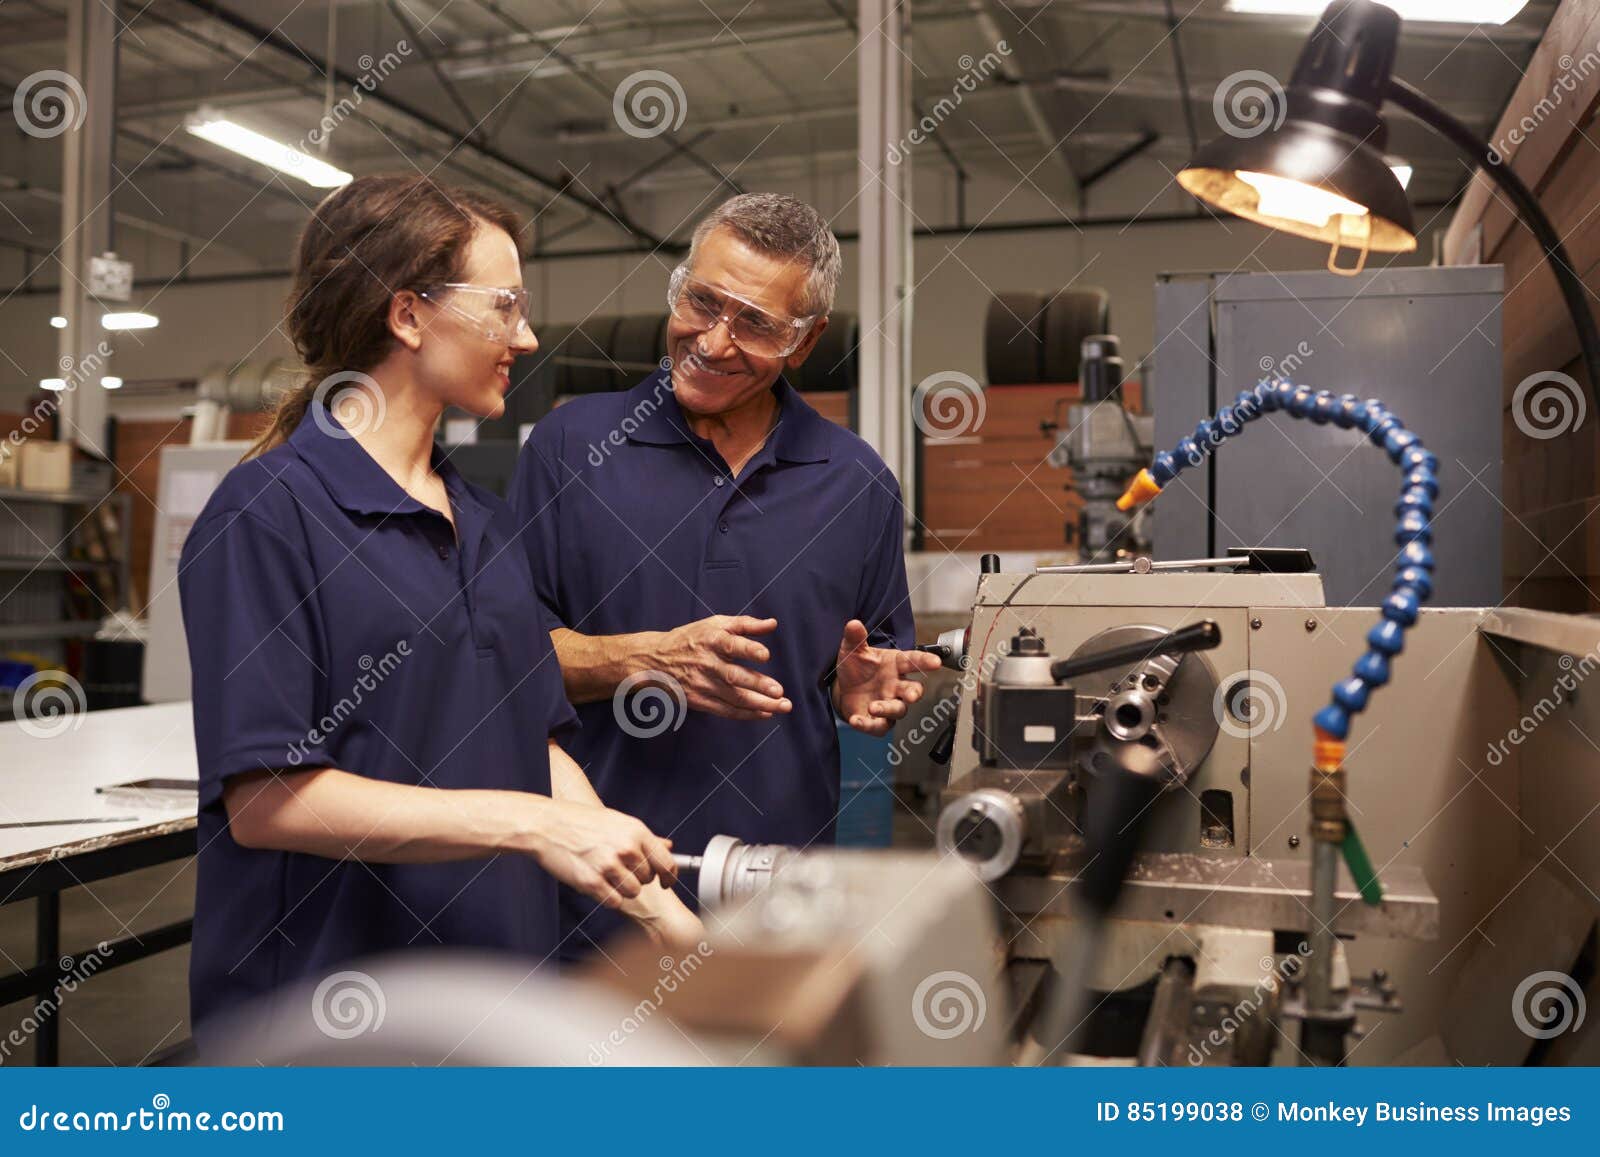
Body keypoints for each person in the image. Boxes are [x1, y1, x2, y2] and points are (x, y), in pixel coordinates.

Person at [178, 174, 701, 1044]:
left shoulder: (485, 524)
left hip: (493, 999)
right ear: (409, 315)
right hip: (327, 1024)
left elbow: (534, 737)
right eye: (504, 305)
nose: (525, 336)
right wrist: (531, 825)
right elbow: (268, 800)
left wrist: (668, 918)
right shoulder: (267, 514)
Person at [510, 192, 940, 957]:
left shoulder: (856, 482)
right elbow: (503, 666)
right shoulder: (571, 447)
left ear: (802, 345)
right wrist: (639, 658)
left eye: (756, 324)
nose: (712, 340)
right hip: (589, 904)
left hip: (775, 908)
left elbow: (869, 669)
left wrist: (861, 692)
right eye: (702, 301)